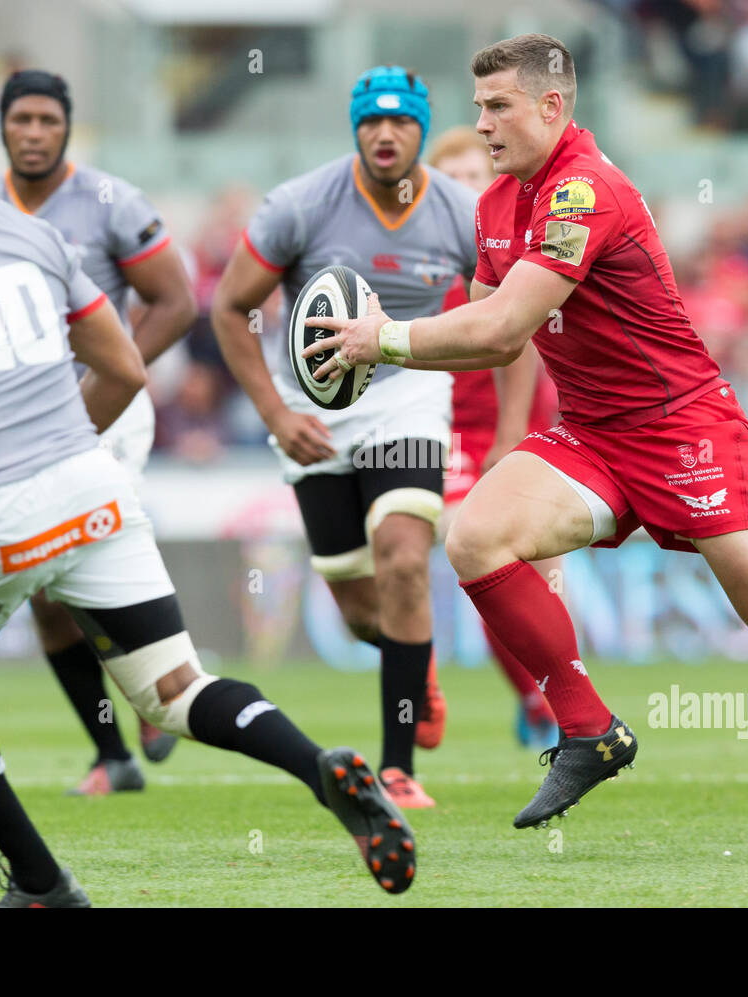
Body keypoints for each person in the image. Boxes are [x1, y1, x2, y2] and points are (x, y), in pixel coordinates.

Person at [306, 33, 748, 855]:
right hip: (593, 433)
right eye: (478, 106)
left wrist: (380, 339)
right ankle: (588, 725)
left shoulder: (582, 194)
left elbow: (504, 321)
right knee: (479, 535)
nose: (482, 124)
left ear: (552, 106)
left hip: (685, 427)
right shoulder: (497, 205)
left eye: (498, 107)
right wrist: (384, 359)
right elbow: (492, 345)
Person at [0, 73, 416, 904]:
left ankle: (42, 881)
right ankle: (316, 765)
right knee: (177, 689)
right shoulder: (31, 235)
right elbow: (127, 365)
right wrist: (57, 448)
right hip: (93, 487)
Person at [212, 66, 479, 808]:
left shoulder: (462, 212)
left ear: (422, 129)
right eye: (370, 123)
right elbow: (230, 309)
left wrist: (513, 429)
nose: (385, 135)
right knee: (364, 611)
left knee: (403, 561)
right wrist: (275, 414)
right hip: (315, 411)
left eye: (400, 122)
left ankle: (399, 768)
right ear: (354, 129)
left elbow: (505, 325)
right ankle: (412, 662)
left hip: (410, 397)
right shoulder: (299, 205)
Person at [0, 71, 197, 795]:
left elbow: (177, 300)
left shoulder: (109, 202)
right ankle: (116, 751)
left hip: (109, 407)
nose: (34, 133)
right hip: (24, 421)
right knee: (44, 589)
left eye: (48, 120)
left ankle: (160, 683)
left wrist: (113, 370)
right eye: (22, 120)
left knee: (75, 556)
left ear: (67, 127)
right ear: (2, 127)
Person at [428, 126, 560, 749]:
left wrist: (512, 435)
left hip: (524, 427)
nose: (465, 190)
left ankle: (553, 696)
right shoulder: (423, 264)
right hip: (451, 436)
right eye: (450, 180)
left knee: (539, 579)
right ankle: (542, 700)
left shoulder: (516, 250)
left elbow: (523, 344)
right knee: (475, 554)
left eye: (474, 177)